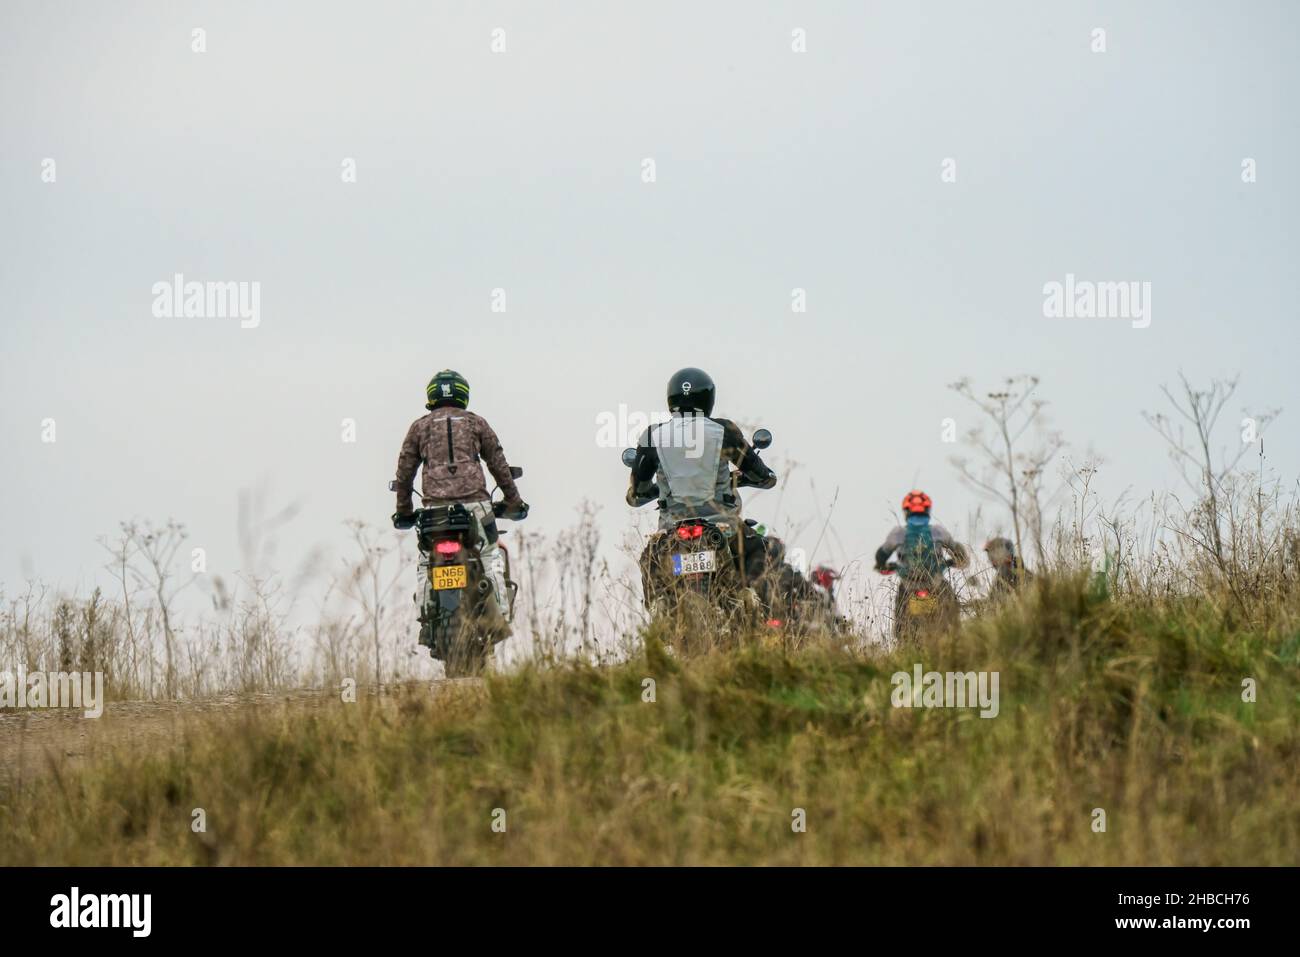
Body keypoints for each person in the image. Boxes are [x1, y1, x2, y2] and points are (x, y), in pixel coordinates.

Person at [625, 367, 779, 600]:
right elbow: (760, 474)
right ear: (709, 398)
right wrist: (759, 477)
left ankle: (658, 612)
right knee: (761, 550)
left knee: (649, 559)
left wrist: (653, 490)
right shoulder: (723, 430)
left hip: (671, 530)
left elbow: (636, 494)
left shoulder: (652, 435)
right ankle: (766, 623)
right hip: (724, 527)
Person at [391, 369, 527, 620]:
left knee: (425, 562)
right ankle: (502, 616)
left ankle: (425, 615)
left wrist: (404, 511)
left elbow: (404, 475)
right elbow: (498, 464)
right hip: (476, 507)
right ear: (464, 395)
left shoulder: (419, 427)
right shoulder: (476, 423)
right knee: (489, 556)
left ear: (431, 396)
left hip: (434, 513)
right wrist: (513, 501)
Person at [874, 490, 969, 631]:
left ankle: (903, 641)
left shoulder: (898, 533)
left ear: (906, 512)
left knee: (901, 627)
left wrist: (882, 565)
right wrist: (953, 561)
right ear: (928, 511)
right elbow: (958, 552)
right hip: (936, 583)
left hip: (907, 586)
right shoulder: (938, 531)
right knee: (953, 622)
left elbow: (881, 555)